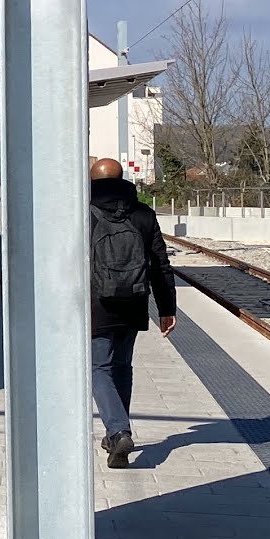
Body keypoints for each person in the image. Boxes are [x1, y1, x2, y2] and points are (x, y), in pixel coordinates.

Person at [89, 157, 176, 469]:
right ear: (123, 178)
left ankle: (118, 430)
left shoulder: (84, 212)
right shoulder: (143, 213)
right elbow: (160, 264)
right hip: (135, 300)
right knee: (122, 367)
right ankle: (116, 435)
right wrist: (167, 308)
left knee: (99, 368)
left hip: (97, 301)